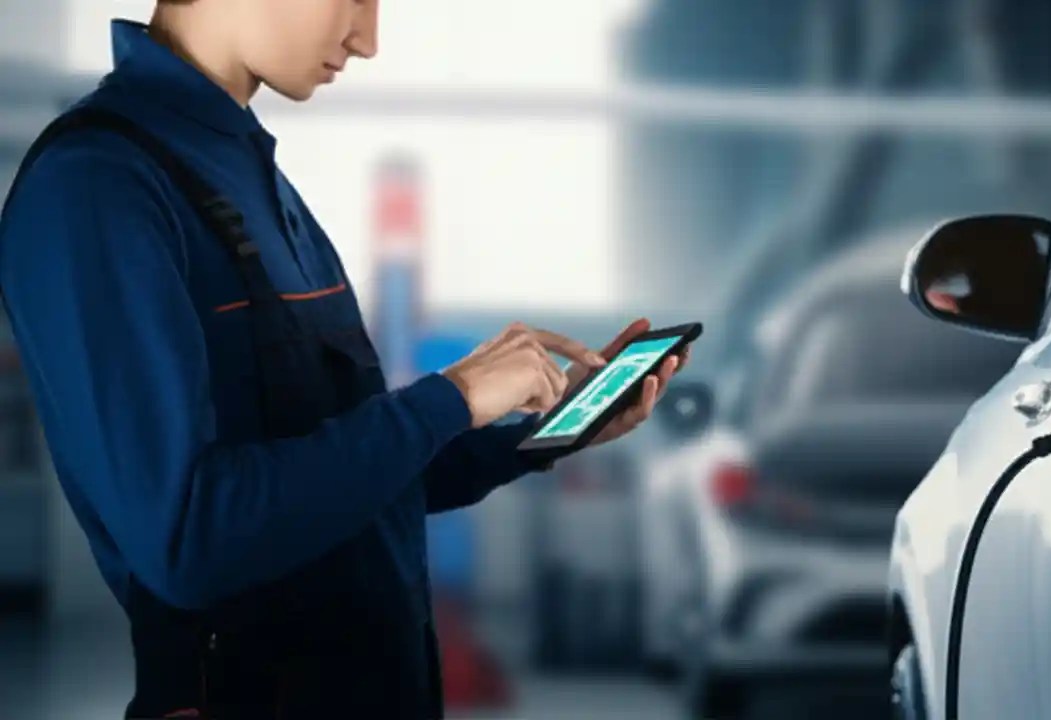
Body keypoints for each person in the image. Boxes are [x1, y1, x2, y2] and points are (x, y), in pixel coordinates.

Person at [0, 2, 689, 718]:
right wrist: (447, 399)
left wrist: (547, 434)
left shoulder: (247, 175)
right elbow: (188, 541)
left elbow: (357, 482)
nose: (368, 39)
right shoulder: (98, 185)